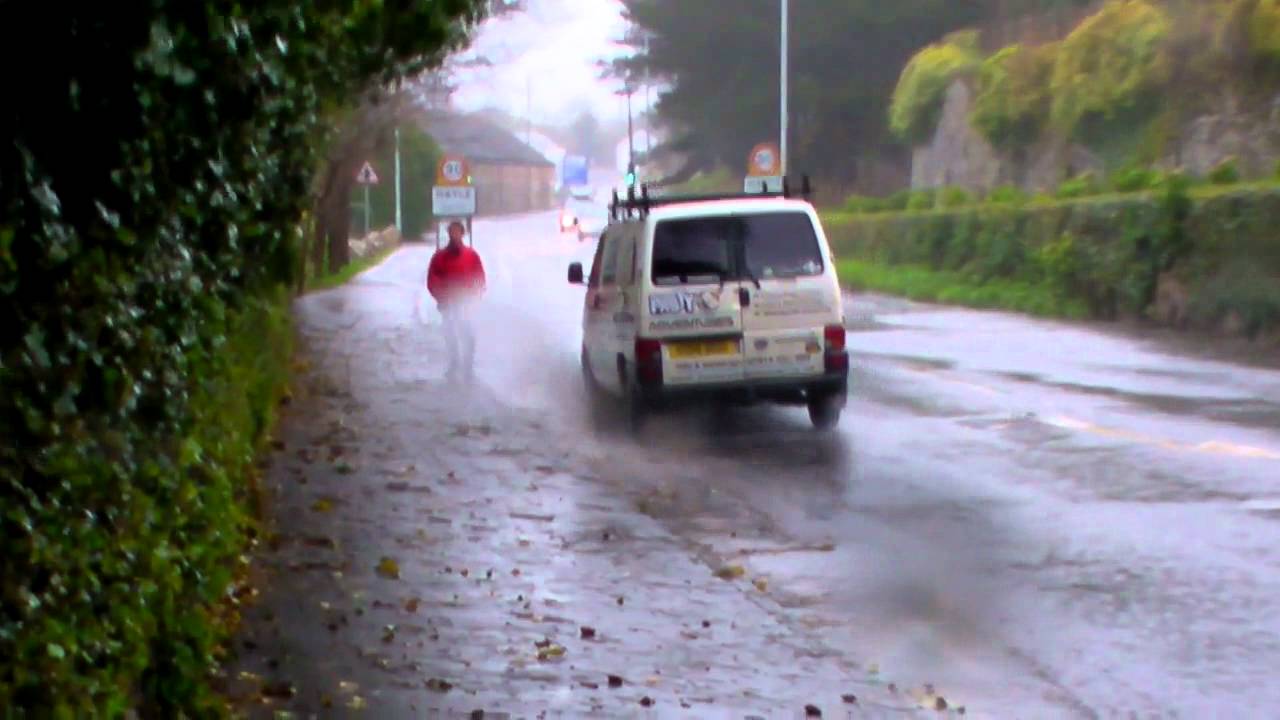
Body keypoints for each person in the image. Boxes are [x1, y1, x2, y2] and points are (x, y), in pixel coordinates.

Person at [426, 220, 486, 380]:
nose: (454, 235)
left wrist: (477, 295)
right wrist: (440, 295)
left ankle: (468, 366)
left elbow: (480, 277)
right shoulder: (439, 257)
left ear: (463, 234)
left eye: (457, 232)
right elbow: (432, 279)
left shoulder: (471, 255)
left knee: (468, 333)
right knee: (450, 332)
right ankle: (454, 362)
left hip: (466, 301)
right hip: (447, 301)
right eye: (451, 232)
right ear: (448, 234)